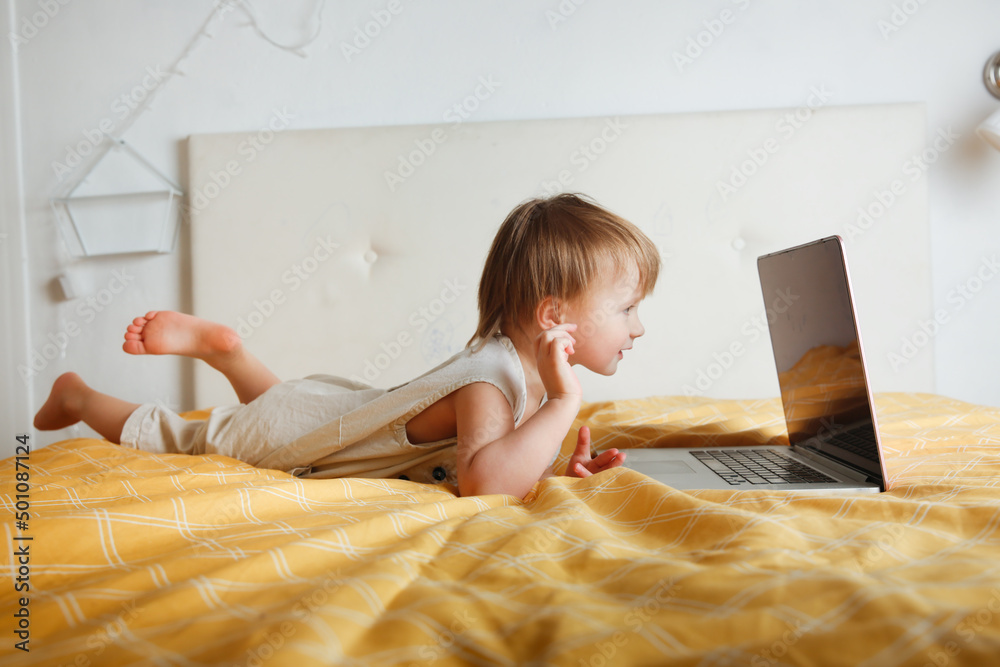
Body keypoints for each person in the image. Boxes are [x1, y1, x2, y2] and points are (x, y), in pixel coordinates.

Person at [33, 193, 660, 499]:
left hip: (320, 415)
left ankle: (228, 353)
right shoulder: (492, 377)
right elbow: (486, 485)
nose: (637, 328)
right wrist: (562, 404)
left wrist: (560, 470)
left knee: (284, 413)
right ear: (554, 314)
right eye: (628, 308)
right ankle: (83, 396)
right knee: (190, 437)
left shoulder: (512, 362)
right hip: (293, 433)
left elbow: (506, 459)